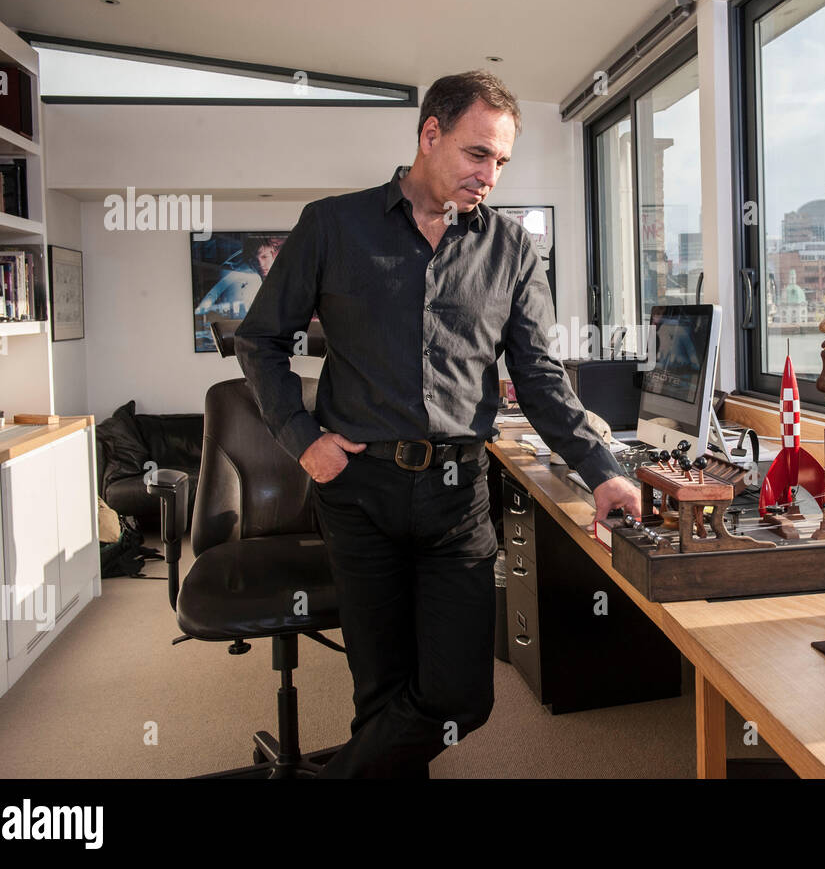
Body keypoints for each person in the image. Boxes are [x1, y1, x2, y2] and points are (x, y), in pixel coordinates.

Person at [233, 70, 641, 778]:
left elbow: (540, 377)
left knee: (460, 695)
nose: (490, 175)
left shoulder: (511, 249)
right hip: (358, 491)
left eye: (502, 162)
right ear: (429, 135)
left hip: (457, 499)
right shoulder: (334, 225)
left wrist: (603, 469)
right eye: (477, 154)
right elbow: (259, 339)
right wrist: (303, 441)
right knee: (382, 693)